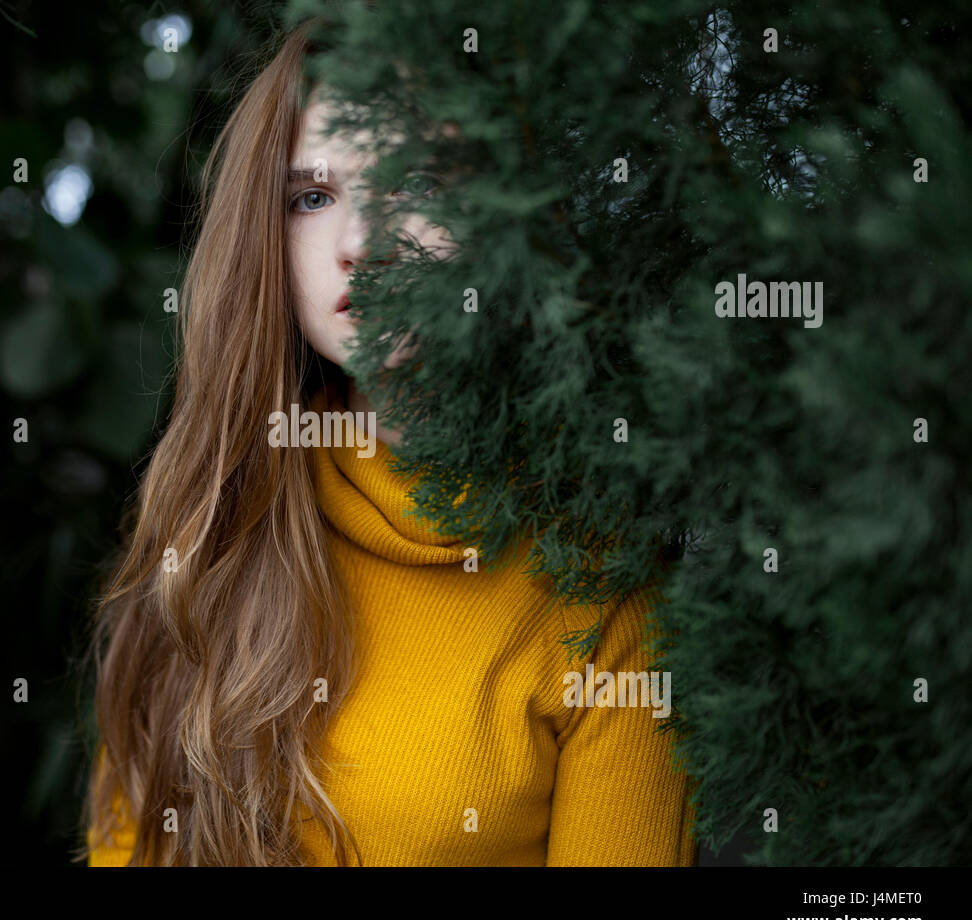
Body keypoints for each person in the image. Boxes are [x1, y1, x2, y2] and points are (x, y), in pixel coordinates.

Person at [81, 18, 696, 866]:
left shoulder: (598, 583)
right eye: (312, 197)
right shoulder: (214, 523)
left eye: (418, 181)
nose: (362, 246)